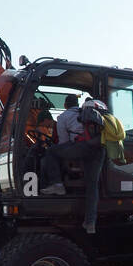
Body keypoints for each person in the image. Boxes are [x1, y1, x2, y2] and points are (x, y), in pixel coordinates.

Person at [54, 91, 110, 230]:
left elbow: (64, 142)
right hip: (100, 148)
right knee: (93, 185)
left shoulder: (65, 117)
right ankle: (90, 222)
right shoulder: (97, 111)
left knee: (52, 153)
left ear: (65, 105)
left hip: (84, 147)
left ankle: (57, 185)